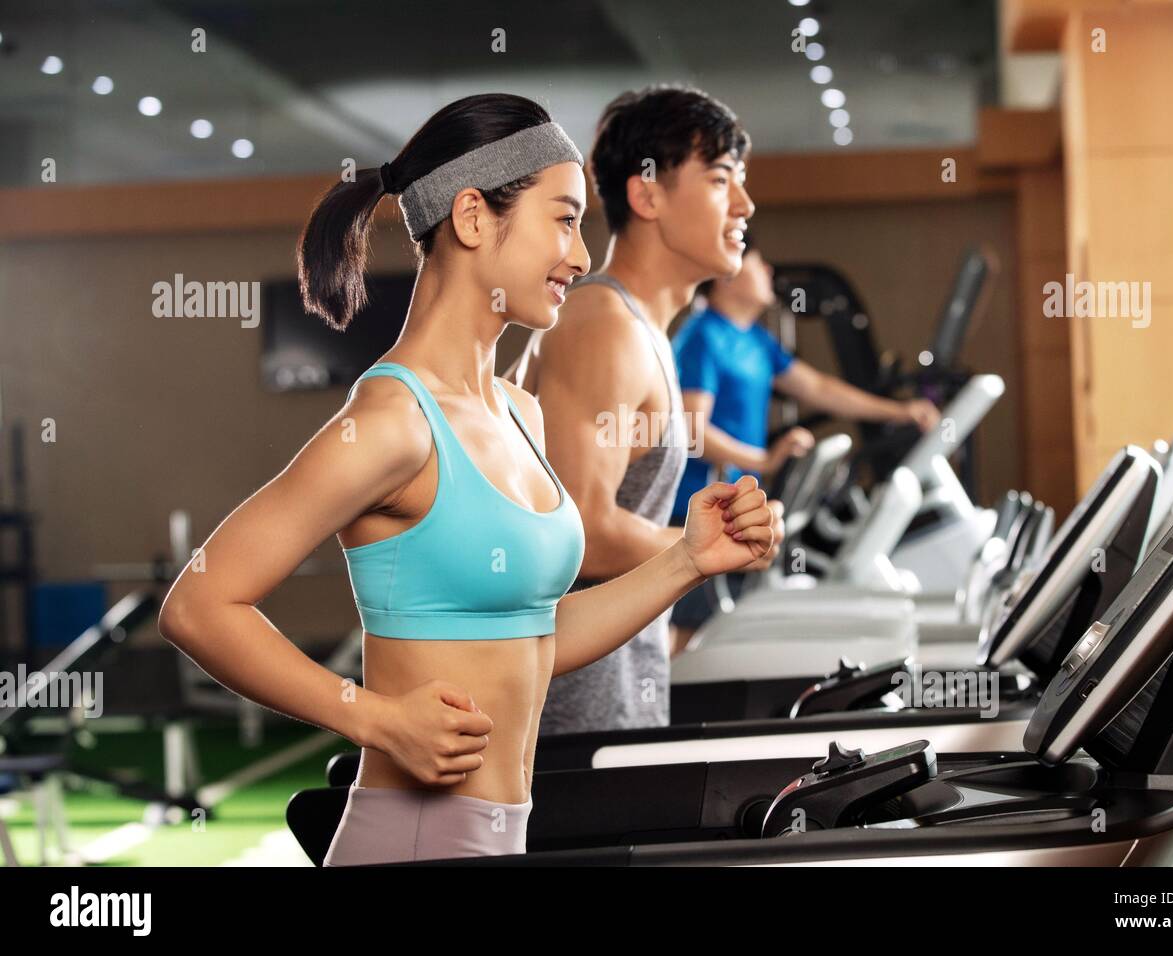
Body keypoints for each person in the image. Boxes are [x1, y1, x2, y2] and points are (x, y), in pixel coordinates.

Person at [156, 93, 774, 865]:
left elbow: (536, 638)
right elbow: (200, 605)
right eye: (563, 219)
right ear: (475, 218)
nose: (580, 257)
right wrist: (375, 718)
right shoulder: (391, 421)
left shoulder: (518, 410)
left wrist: (689, 559)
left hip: (501, 833)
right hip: (414, 840)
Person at [512, 85, 783, 735]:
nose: (744, 204)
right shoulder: (604, 324)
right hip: (566, 726)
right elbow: (578, 534)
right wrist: (710, 546)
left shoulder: (643, 331)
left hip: (611, 698)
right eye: (721, 180)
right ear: (647, 193)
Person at [667, 239, 941, 646]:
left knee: (718, 631)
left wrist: (899, 412)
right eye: (760, 264)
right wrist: (763, 461)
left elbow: (819, 387)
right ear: (727, 275)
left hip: (735, 509)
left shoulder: (754, 340)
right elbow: (691, 431)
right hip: (694, 512)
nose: (771, 274)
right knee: (692, 636)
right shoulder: (702, 339)